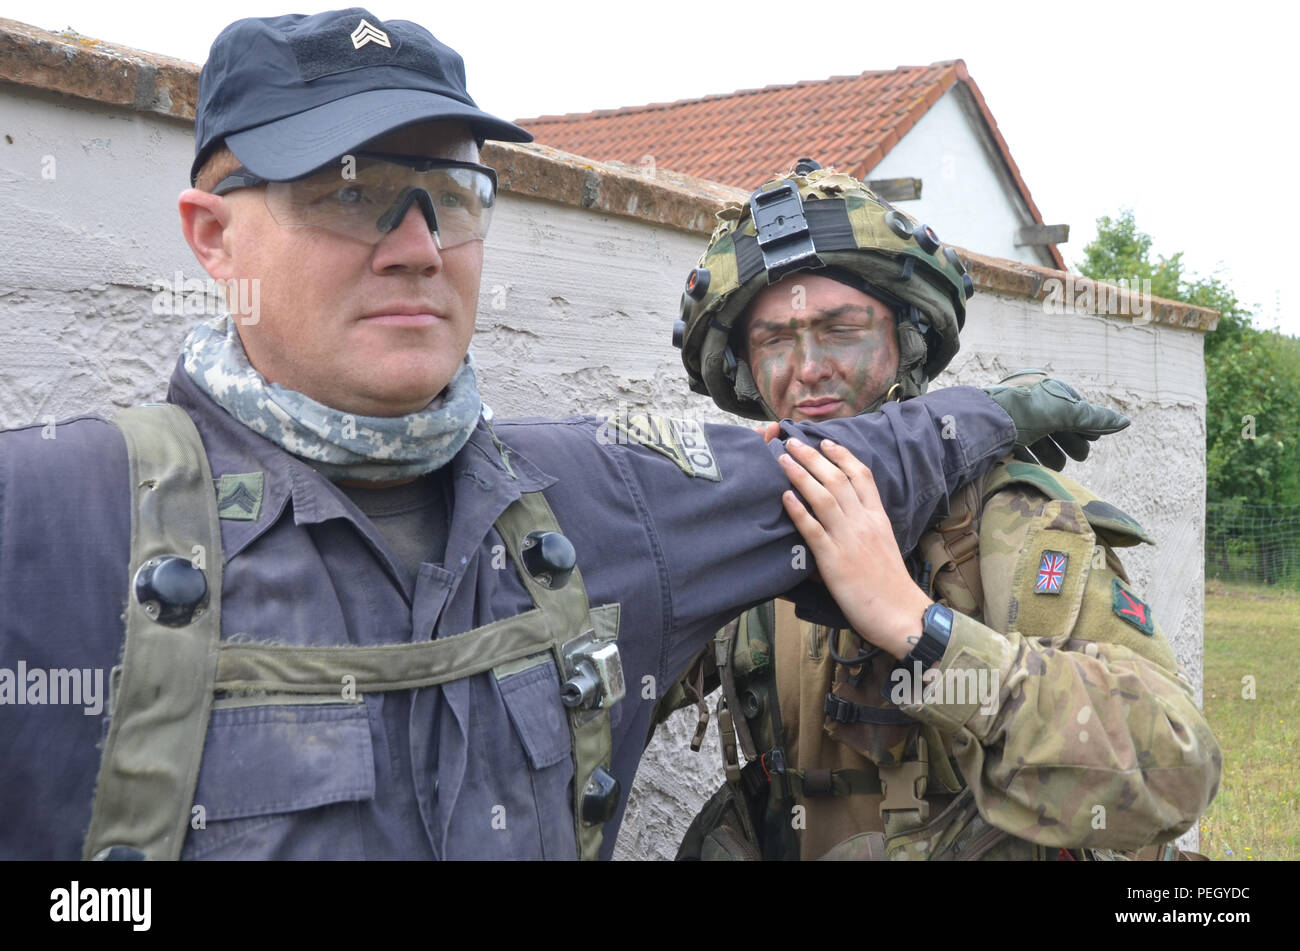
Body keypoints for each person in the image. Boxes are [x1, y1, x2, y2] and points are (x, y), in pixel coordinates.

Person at [0, 11, 1126, 861]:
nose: (416, 245)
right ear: (211, 236)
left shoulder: (605, 496)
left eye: (449, 194)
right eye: (349, 191)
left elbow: (1161, 774)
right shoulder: (45, 521)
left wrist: (928, 611)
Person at [671, 162, 1222, 861]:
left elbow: (1177, 767)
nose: (807, 368)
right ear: (748, 369)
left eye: (841, 329)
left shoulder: (1001, 520)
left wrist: (919, 626)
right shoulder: (746, 524)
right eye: (775, 340)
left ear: (908, 340)